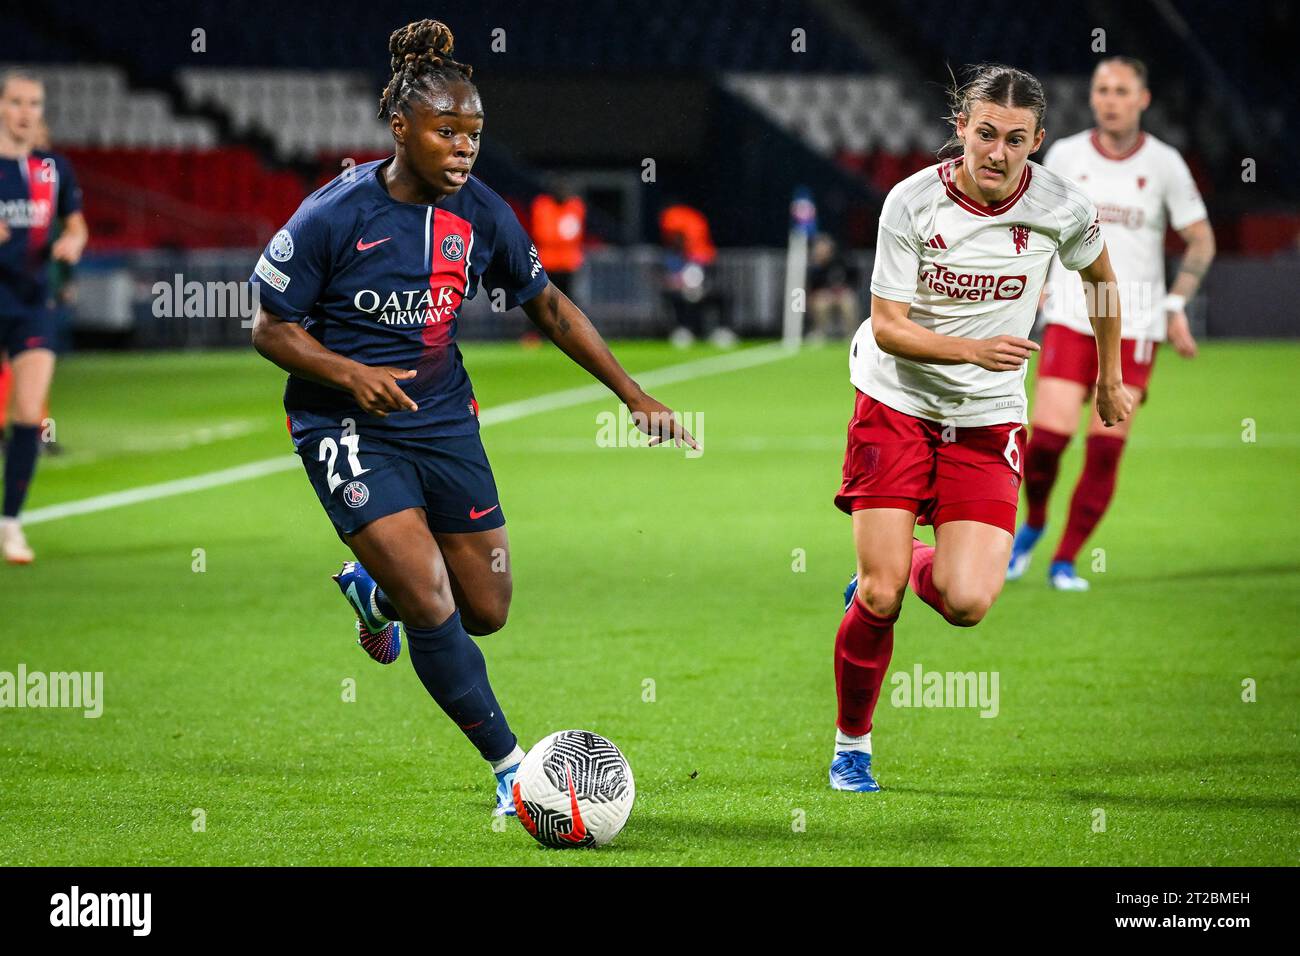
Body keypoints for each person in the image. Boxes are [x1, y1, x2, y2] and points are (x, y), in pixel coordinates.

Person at [249, 19, 695, 817]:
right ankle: (512, 773)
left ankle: (371, 592)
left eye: (474, 133)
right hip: (342, 424)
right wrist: (351, 375)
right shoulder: (332, 214)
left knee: (485, 610)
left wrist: (633, 395)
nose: (463, 148)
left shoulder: (483, 214)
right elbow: (269, 327)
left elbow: (548, 305)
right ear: (400, 128)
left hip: (444, 419)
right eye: (446, 130)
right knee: (431, 597)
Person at [830, 64, 1132, 792]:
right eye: (985, 133)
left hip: (986, 418)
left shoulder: (1061, 204)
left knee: (966, 604)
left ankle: (905, 564)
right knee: (881, 596)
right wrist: (973, 349)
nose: (997, 153)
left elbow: (1101, 282)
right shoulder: (911, 202)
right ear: (960, 128)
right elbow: (889, 326)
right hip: (895, 402)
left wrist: (1110, 375)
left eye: (1016, 140)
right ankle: (852, 747)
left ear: (1039, 141)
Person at [1008, 57, 1215, 590]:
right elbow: (1031, 224)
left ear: (1142, 99)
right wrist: (1036, 284)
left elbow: (1200, 238)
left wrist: (1174, 308)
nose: (1110, 99)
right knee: (1048, 442)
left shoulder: (1165, 164)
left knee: (1104, 449)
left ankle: (1065, 561)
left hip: (1136, 326)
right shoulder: (1067, 155)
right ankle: (1033, 523)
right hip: (1072, 316)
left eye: (1122, 90)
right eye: (1102, 89)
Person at [0, 69, 87, 564]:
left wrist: (73, 240)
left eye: (34, 103)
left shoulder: (52, 168)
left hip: (32, 301)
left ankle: (11, 524)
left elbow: (75, 224)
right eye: (16, 102)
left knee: (29, 415)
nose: (25, 112)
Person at [530, 180, 584, 298]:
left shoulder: (575, 206)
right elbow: (542, 235)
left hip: (568, 264)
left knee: (569, 301)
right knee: (545, 301)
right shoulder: (542, 206)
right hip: (547, 263)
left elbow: (574, 235)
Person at [807, 233, 861, 342]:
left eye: (824, 248)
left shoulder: (841, 261)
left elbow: (854, 280)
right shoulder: (815, 268)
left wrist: (844, 290)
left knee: (848, 301)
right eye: (819, 249)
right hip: (824, 298)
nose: (822, 251)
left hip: (841, 296)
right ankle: (819, 332)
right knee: (820, 303)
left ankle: (852, 333)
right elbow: (812, 290)